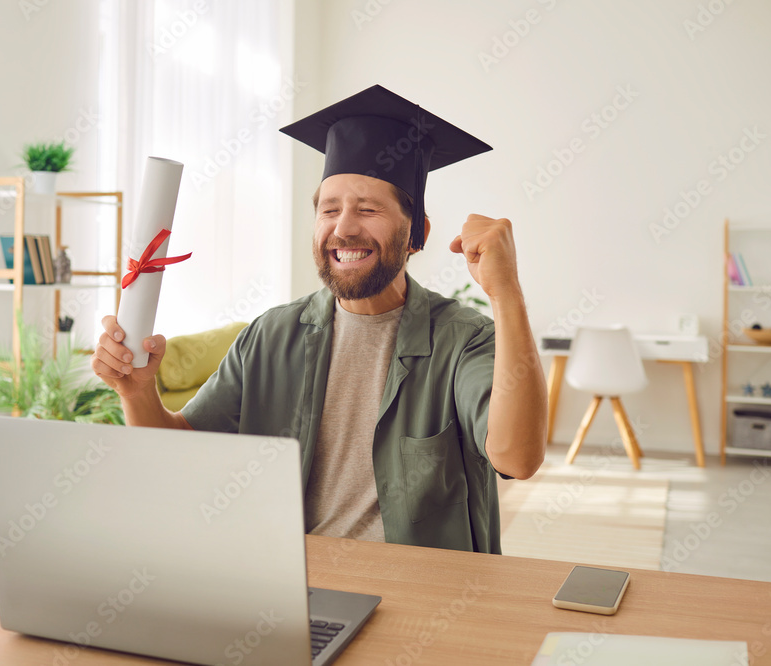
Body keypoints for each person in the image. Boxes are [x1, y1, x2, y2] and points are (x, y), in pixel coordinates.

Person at [92, 85, 547, 553]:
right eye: (328, 210)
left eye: (367, 210)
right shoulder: (271, 336)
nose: (343, 227)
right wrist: (138, 391)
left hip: (420, 599)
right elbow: (178, 452)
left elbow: (517, 457)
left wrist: (505, 293)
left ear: (417, 233)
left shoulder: (462, 339)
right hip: (285, 590)